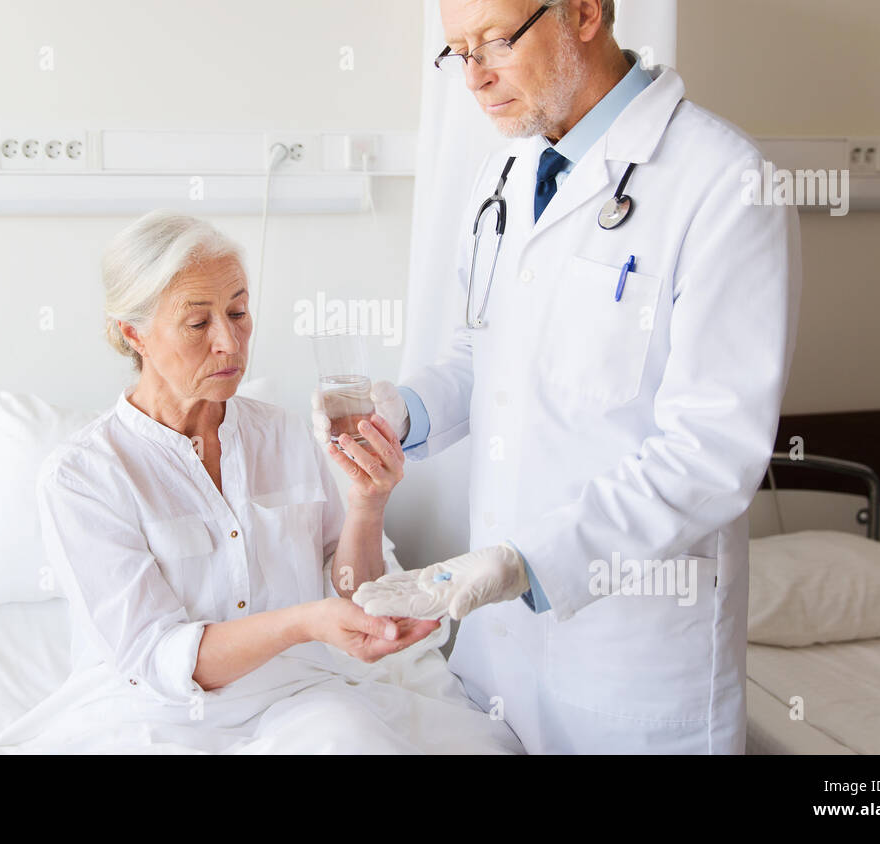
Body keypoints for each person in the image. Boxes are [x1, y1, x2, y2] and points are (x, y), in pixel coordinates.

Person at [343, 0, 801, 753]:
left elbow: (711, 454)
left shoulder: (722, 184)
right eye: (458, 51)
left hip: (632, 661)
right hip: (498, 655)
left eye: (494, 40)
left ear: (584, 11)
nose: (473, 76)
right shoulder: (510, 174)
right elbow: (483, 356)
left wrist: (526, 561)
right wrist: (402, 409)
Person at [33, 211, 523, 753]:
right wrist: (304, 623)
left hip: (299, 699)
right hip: (156, 713)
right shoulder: (83, 476)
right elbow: (160, 657)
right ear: (134, 334)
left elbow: (351, 589)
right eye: (198, 324)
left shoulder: (284, 435)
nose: (229, 341)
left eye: (239, 312)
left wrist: (366, 504)